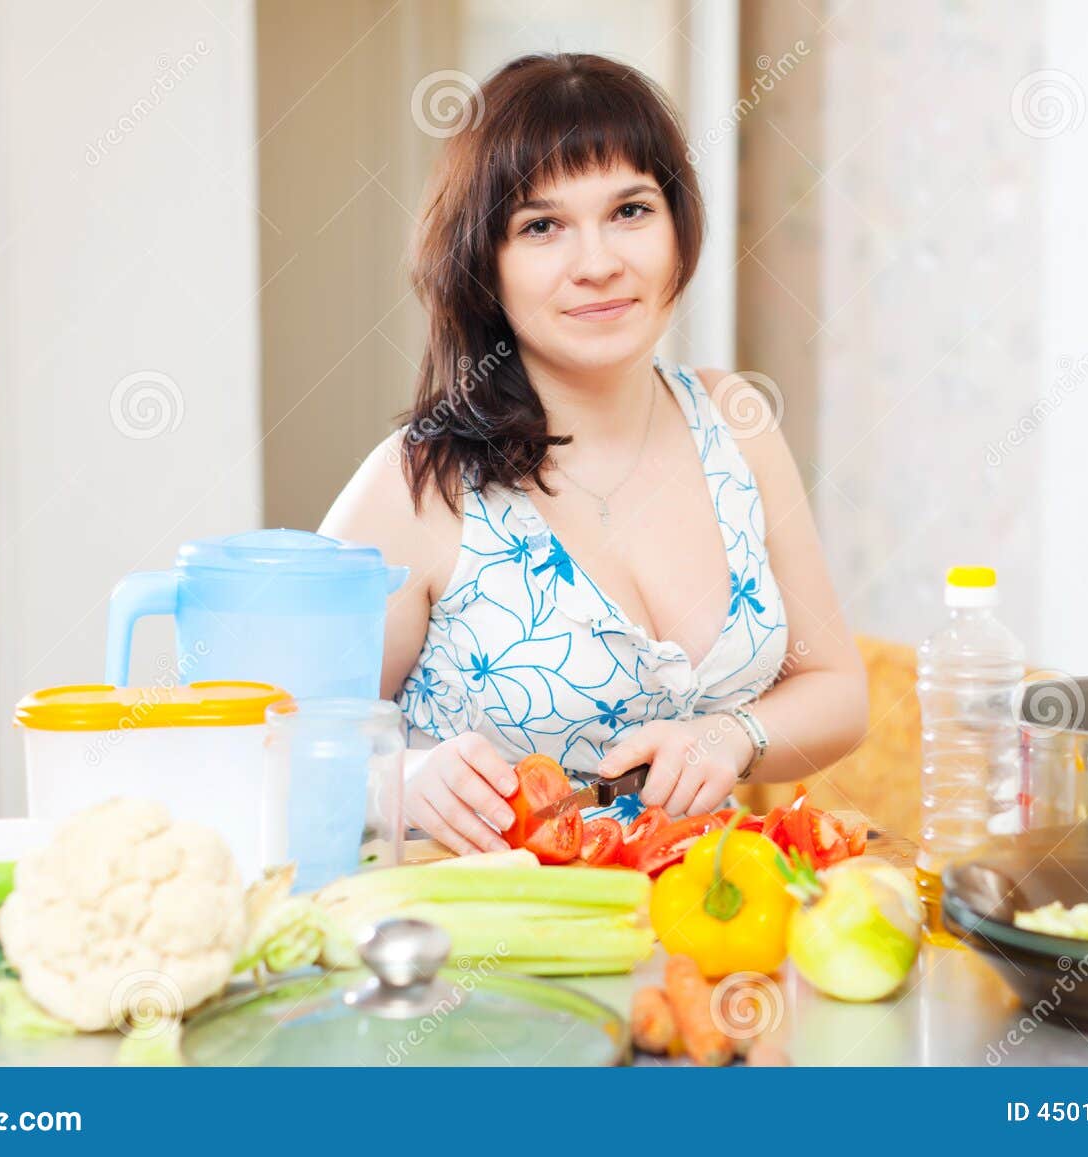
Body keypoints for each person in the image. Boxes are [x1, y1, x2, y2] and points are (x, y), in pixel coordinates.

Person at [322, 52, 868, 854]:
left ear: (679, 227)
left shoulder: (735, 419)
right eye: (542, 226)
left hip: (706, 928)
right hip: (483, 957)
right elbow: (280, 746)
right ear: (485, 265)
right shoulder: (418, 483)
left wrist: (730, 735)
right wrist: (398, 778)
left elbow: (838, 690)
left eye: (632, 210)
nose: (599, 262)